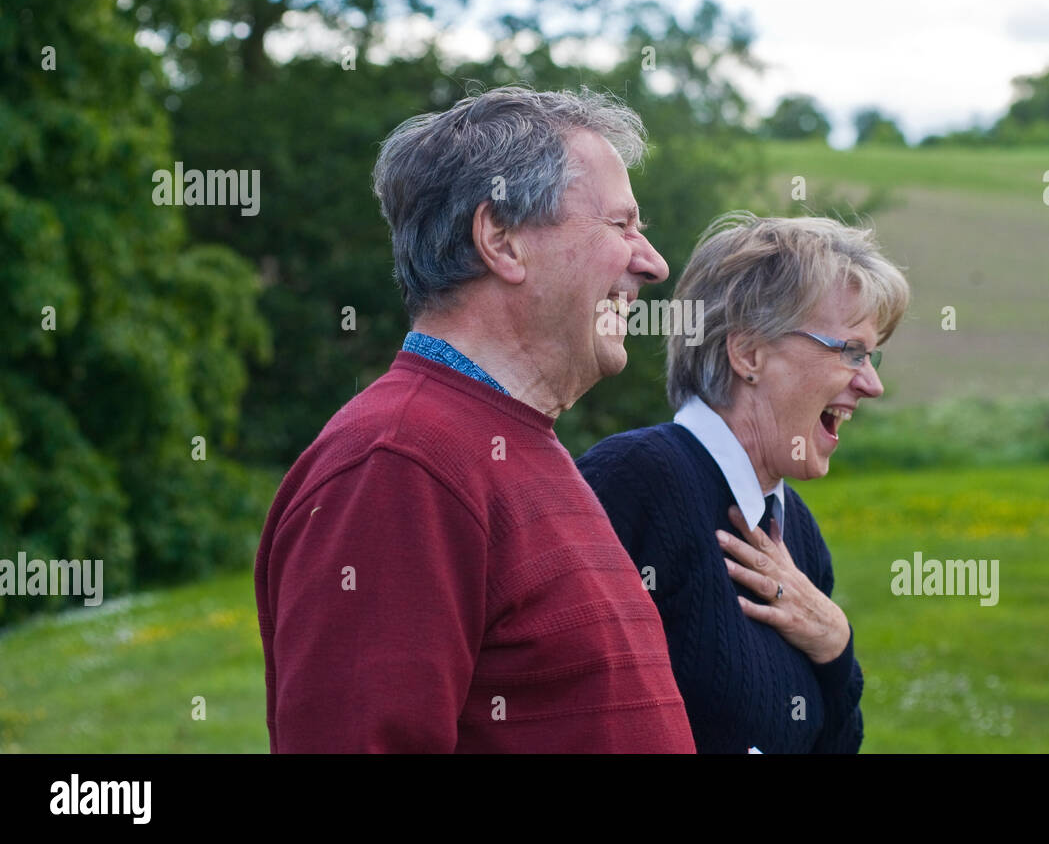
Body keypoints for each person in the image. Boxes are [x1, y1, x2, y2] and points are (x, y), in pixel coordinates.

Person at [254, 86, 696, 753]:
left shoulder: (508, 443)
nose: (653, 262)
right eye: (621, 225)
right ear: (502, 240)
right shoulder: (398, 463)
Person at [578, 212, 910, 753]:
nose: (871, 384)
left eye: (871, 355)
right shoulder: (636, 480)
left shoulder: (792, 527)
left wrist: (835, 646)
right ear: (749, 354)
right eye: (850, 351)